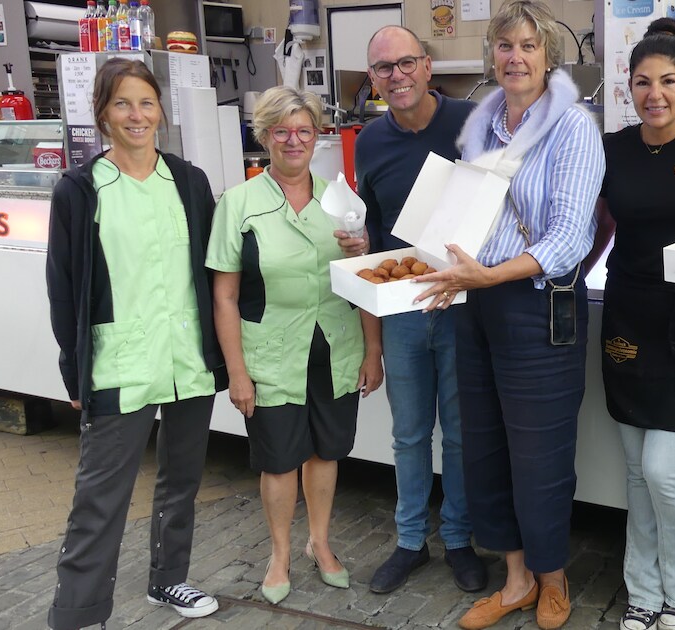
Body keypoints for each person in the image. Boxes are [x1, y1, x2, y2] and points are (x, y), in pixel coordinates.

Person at [413, 1, 604, 628]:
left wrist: (490, 275)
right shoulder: (483, 123)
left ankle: (553, 579)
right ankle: (517, 580)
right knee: (486, 447)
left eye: (527, 45)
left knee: (539, 456)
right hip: (475, 304)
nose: (515, 57)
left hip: (537, 306)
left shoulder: (572, 127)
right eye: (504, 45)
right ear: (491, 55)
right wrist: (440, 262)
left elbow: (569, 237)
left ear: (549, 55)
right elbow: (469, 212)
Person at [45, 57, 225, 629]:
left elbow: (217, 267)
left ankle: (168, 579)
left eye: (146, 103)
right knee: (100, 495)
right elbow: (63, 288)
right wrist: (74, 372)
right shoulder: (80, 190)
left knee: (181, 481)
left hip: (187, 357)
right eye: (122, 103)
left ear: (161, 112)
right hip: (119, 361)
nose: (136, 115)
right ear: (102, 114)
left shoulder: (189, 182)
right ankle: (78, 614)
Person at [206, 86, 383, 605]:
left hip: (335, 347)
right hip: (271, 353)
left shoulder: (340, 201)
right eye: (281, 131)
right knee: (280, 459)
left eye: (304, 130)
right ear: (264, 137)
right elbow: (225, 296)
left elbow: (361, 279)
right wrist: (237, 372)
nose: (293, 140)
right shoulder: (238, 204)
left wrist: (373, 350)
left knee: (326, 451)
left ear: (316, 136)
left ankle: (320, 543)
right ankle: (279, 554)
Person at [333, 25, 487, 596]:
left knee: (462, 434)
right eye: (382, 68)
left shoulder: (472, 121)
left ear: (427, 66)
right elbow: (372, 236)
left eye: (405, 63)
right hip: (400, 310)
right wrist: (358, 245)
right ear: (372, 80)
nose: (395, 76)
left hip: (462, 304)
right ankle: (410, 541)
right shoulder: (370, 141)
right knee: (409, 434)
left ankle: (460, 540)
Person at [583, 33, 675, 630]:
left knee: (665, 469)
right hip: (628, 310)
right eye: (643, 82)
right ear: (629, 88)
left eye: (668, 80)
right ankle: (643, 593)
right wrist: (564, 279)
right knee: (638, 470)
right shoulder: (612, 149)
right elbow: (596, 224)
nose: (655, 94)